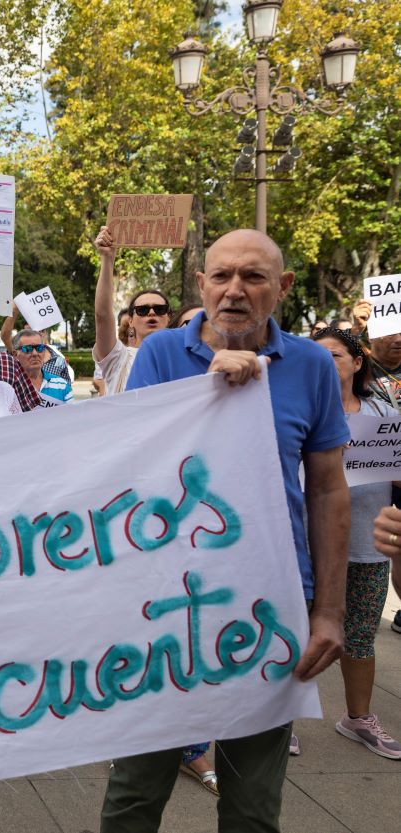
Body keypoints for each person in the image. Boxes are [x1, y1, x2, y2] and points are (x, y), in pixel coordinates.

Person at [101, 229, 350, 833]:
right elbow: (137, 466)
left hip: (271, 606)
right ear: (201, 284)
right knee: (135, 791)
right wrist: (209, 390)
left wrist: (329, 612)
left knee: (252, 805)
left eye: (254, 277)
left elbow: (327, 489)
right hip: (165, 605)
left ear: (282, 288)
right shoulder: (159, 355)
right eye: (222, 276)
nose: (235, 290)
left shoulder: (313, 365)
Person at [310, 327, 401, 758]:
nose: (325, 364)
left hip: (367, 544)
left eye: (334, 356)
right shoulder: (301, 410)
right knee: (294, 633)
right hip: (311, 546)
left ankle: (357, 717)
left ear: (357, 361)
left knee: (361, 636)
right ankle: (277, 722)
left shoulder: (384, 412)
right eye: (317, 357)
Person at [92, 225, 172, 395]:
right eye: (142, 310)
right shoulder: (118, 359)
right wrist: (107, 259)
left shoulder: (180, 358)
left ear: (169, 317)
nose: (151, 313)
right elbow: (102, 315)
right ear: (130, 320)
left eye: (159, 309)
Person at [12, 329, 73, 406]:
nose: (35, 353)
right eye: (28, 349)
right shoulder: (8, 386)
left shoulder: (62, 386)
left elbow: (71, 416)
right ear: (15, 354)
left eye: (39, 348)